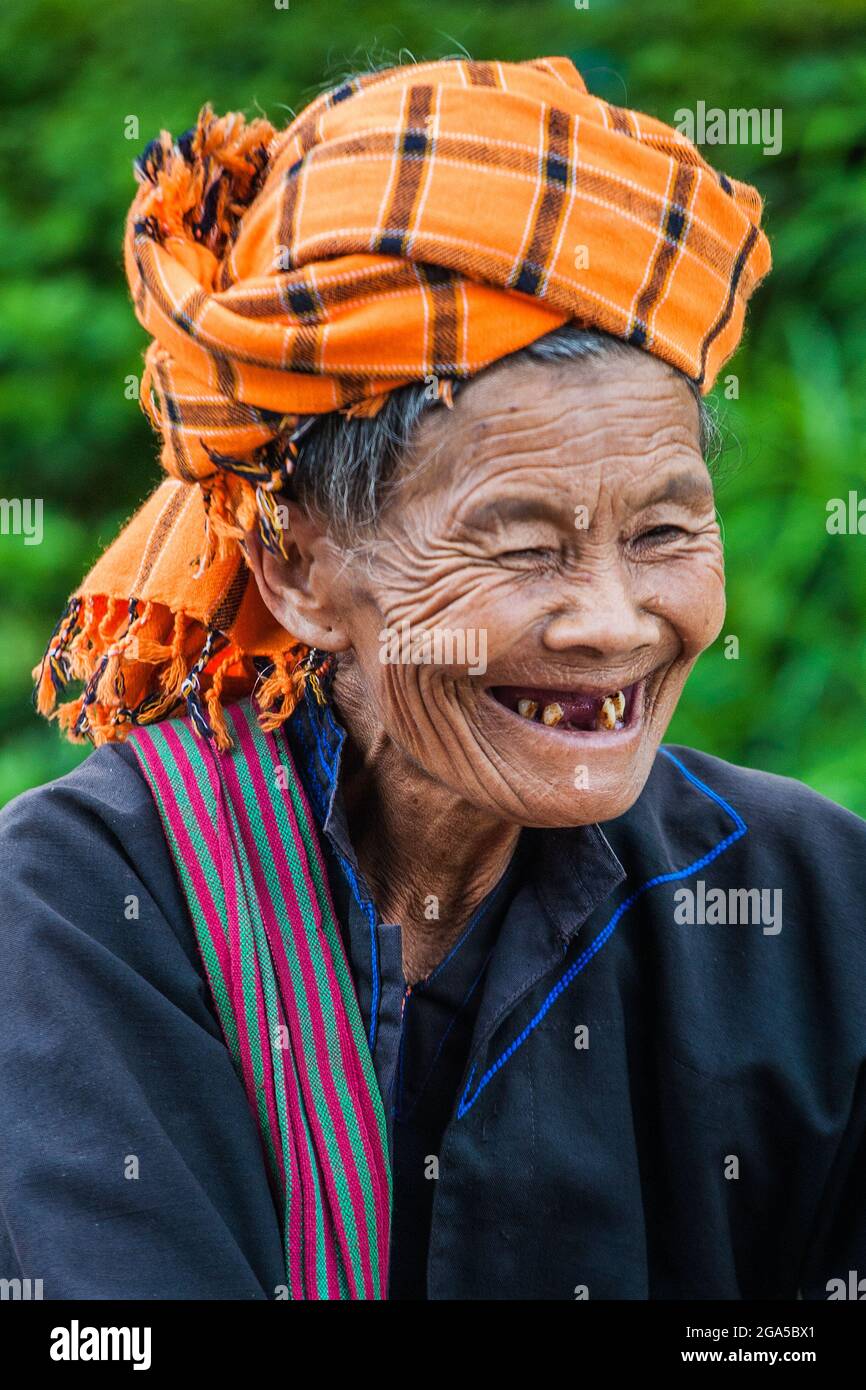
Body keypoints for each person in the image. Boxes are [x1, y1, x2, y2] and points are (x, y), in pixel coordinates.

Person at [1, 56, 864, 1301]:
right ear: (295, 564)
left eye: (665, 534)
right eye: (522, 547)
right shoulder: (97, 907)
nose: (613, 622)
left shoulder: (809, 905)